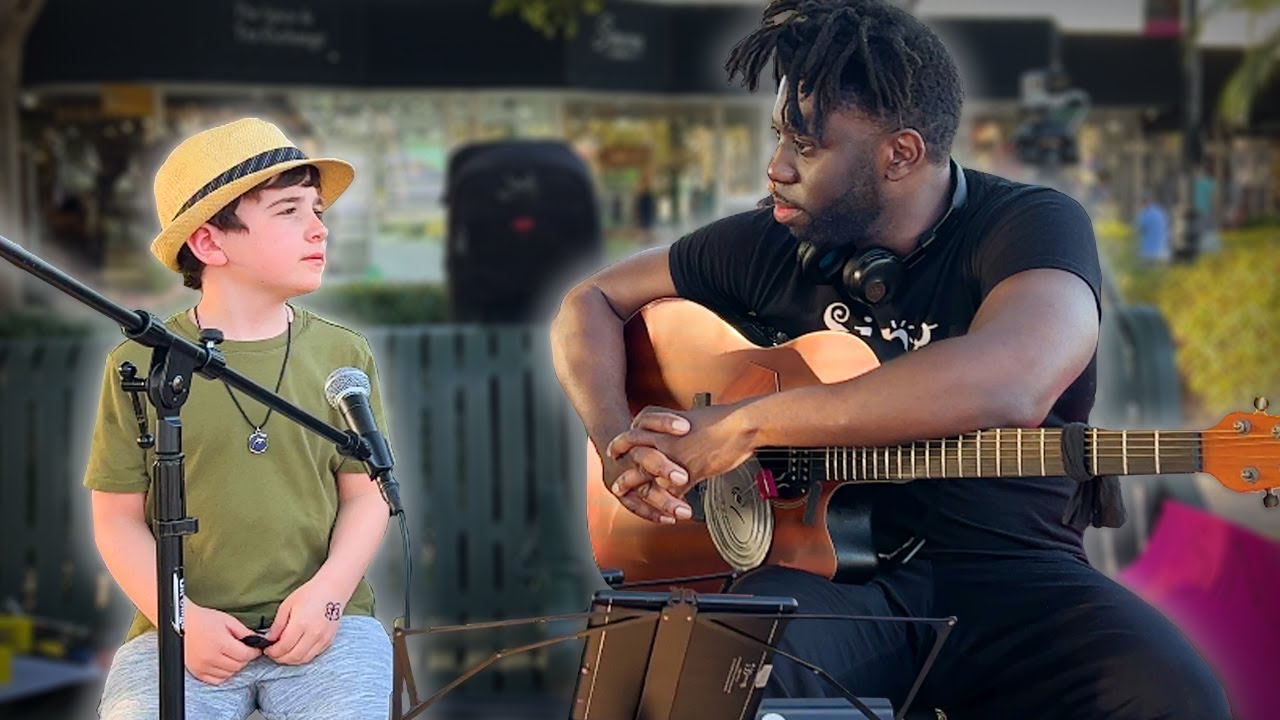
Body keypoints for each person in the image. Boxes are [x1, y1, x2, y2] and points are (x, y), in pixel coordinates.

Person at [549, 2, 1230, 718]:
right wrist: (614, 439)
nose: (776, 166)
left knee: (1172, 697)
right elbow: (590, 301)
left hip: (1013, 577)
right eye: (781, 135)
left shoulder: (1028, 226)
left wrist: (749, 425)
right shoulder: (778, 242)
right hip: (828, 587)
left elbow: (1014, 378)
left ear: (900, 154)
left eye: (806, 148)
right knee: (696, 684)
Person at [85, 118, 393, 719]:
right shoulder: (139, 363)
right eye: (287, 211)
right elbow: (116, 520)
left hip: (323, 628)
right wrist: (182, 621)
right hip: (181, 633)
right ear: (209, 243)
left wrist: (328, 597)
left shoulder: (342, 353)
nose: (318, 229)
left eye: (318, 210)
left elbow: (368, 495)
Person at [1135, 190, 1171, 263]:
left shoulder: (1145, 214)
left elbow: (1135, 229)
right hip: (1163, 252)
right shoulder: (1161, 212)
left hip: (1148, 254)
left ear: (1143, 202)